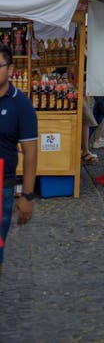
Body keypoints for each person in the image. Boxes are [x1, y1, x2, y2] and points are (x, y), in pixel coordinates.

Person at [0, 44, 37, 276]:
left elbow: (31, 152)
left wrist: (27, 195)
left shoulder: (21, 104)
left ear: (10, 69)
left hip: (3, 186)